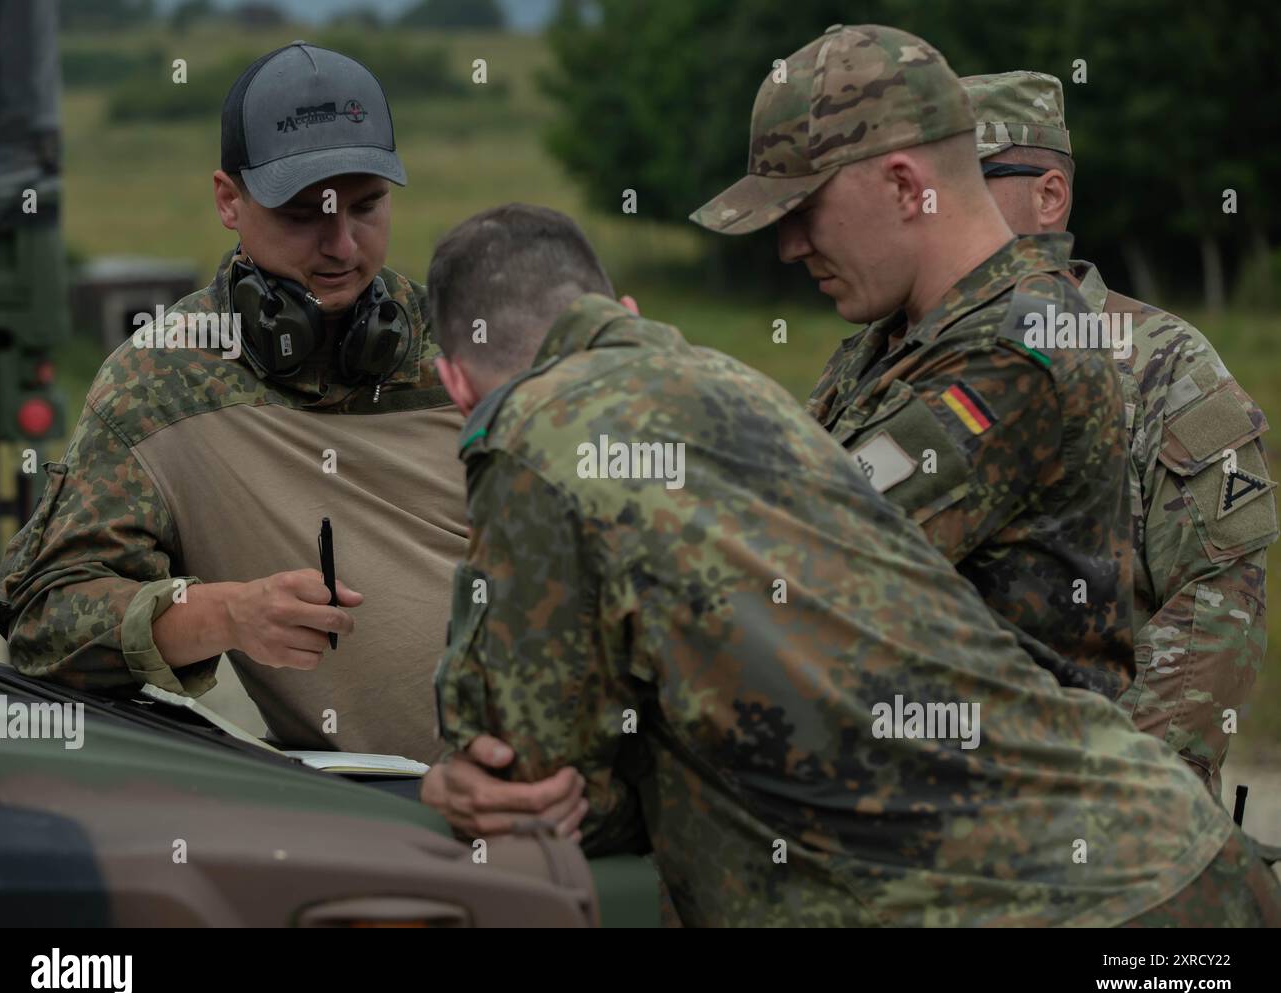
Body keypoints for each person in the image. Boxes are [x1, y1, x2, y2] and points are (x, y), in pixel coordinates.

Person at [426, 200, 1279, 927]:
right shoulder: (749, 394)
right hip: (1177, 860)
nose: (794, 247)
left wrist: (456, 779)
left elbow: (544, 783)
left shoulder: (533, 437)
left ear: (456, 383)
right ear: (629, 311)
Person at [0, 42, 585, 838]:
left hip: (572, 794)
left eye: (365, 205)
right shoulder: (160, 384)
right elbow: (44, 618)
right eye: (305, 213)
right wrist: (219, 615)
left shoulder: (467, 342)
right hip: (382, 823)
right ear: (227, 200)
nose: (341, 246)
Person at [690, 25, 1134, 700]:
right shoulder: (901, 334)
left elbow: (804, 572)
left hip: (999, 793)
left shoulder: (1013, 352)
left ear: (904, 187)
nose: (789, 246)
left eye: (804, 209)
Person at [960, 70, 1278, 794]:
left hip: (1106, 813)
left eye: (975, 182)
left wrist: (1122, 800)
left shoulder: (1167, 364)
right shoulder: (895, 363)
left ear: (1049, 196)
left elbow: (1216, 599)